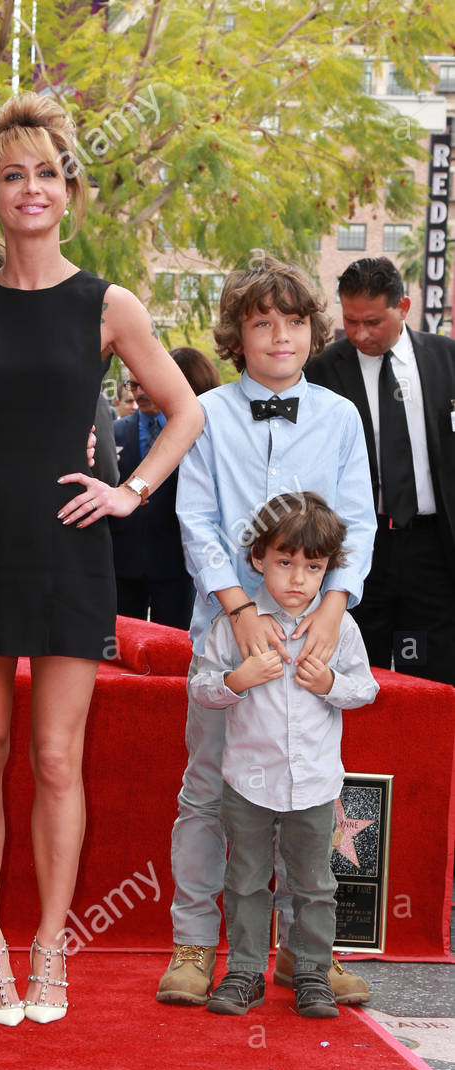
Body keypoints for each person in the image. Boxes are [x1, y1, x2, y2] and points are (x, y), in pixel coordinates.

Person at [0, 92, 204, 1026]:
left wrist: (128, 492)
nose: (30, 189)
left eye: (46, 173)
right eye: (13, 175)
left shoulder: (107, 303)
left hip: (68, 549)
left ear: (69, 190)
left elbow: (186, 411)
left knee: (55, 756)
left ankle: (52, 944)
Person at [162, 257, 377, 1007]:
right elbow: (195, 519)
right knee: (207, 791)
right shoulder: (208, 413)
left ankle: (299, 955)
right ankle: (193, 943)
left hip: (313, 631)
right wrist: (236, 605)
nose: (278, 336)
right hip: (228, 630)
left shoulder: (340, 417)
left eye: (291, 321)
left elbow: (356, 518)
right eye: (261, 323)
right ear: (237, 335)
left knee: (303, 797)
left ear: (312, 329)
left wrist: (332, 605)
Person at [192, 494, 378, 1017]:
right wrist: (236, 680)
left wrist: (330, 684)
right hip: (248, 781)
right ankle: (245, 971)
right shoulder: (235, 627)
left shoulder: (339, 627)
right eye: (284, 562)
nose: (298, 578)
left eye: (313, 566)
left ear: (328, 569)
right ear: (258, 560)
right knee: (246, 879)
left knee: (315, 884)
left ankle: (312, 971)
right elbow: (202, 688)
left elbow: (365, 689)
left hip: (315, 783)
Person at [305, 256, 455, 686]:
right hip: (355, 548)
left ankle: (426, 754)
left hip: (433, 550)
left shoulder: (446, 361)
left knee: (431, 673)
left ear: (403, 307)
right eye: (350, 321)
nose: (359, 334)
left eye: (372, 321)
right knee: (355, 669)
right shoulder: (321, 372)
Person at [111, 352, 218, 631]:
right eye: (133, 385)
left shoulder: (199, 433)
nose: (140, 392)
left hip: (177, 566)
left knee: (175, 651)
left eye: (145, 382)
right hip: (123, 563)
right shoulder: (115, 432)